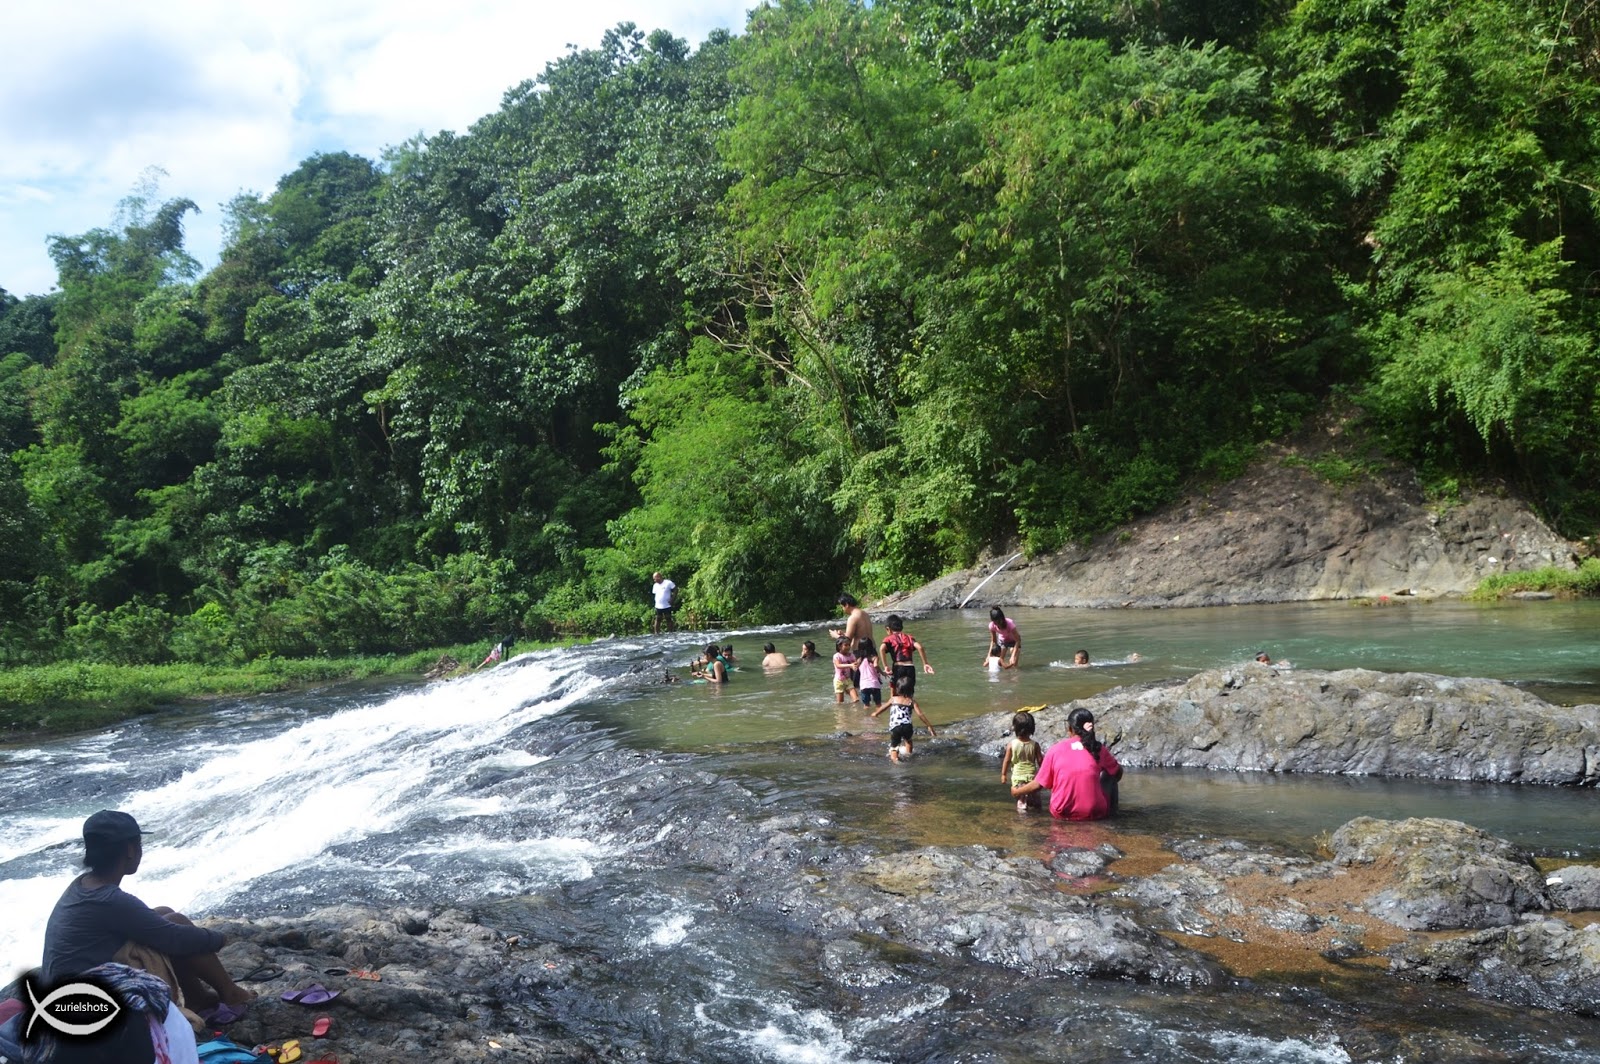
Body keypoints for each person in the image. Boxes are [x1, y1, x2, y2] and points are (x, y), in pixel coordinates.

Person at [41, 811, 255, 1024]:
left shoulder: (82, 885)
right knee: (175, 925)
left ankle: (197, 998)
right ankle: (231, 993)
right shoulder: (110, 900)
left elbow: (152, 925)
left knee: (162, 913)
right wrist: (219, 939)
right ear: (130, 850)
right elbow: (173, 938)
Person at [1011, 708, 1121, 820]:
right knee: (1110, 775)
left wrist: (1017, 791)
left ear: (1070, 728)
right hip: (1094, 812)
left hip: (1061, 812)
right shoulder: (1098, 749)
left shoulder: (1055, 750)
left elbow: (1039, 784)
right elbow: (1118, 772)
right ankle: (1113, 817)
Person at [871, 674, 937, 762]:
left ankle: (895, 760)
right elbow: (920, 714)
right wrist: (929, 726)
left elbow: (882, 708)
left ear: (897, 689)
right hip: (907, 726)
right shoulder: (911, 702)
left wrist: (875, 714)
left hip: (895, 727)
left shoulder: (893, 699)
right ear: (911, 690)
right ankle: (909, 755)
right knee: (908, 741)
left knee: (894, 746)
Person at [1000, 711, 1044, 812]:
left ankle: (1022, 820)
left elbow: (1006, 761)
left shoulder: (1011, 745)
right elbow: (1041, 761)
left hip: (1018, 778)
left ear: (1015, 729)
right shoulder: (1035, 745)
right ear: (1032, 729)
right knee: (1036, 800)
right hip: (1032, 778)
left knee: (1021, 801)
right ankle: (1037, 815)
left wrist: (1003, 775)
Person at [880, 615, 934, 687]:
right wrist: (925, 663)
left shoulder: (889, 638)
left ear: (888, 629)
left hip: (898, 668)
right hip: (910, 667)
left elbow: (881, 649)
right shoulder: (909, 637)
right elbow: (920, 647)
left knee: (895, 691)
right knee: (909, 691)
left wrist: (885, 666)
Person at [855, 637, 883, 707]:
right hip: (874, 684)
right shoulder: (874, 657)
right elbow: (876, 665)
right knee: (878, 704)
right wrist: (882, 673)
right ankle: (877, 717)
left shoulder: (859, 660)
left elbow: (855, 669)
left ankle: (866, 718)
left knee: (866, 706)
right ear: (871, 646)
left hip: (864, 685)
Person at [832, 638, 859, 704]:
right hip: (839, 681)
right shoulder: (836, 656)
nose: (848, 647)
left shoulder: (851, 655)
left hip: (848, 680)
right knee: (840, 703)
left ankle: (855, 712)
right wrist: (850, 665)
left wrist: (856, 665)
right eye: (846, 645)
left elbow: (855, 664)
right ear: (839, 646)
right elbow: (838, 665)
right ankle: (842, 714)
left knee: (856, 699)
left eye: (849, 645)